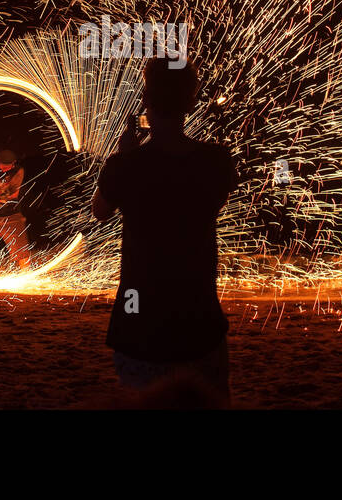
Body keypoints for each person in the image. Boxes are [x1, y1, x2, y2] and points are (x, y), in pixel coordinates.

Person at [91, 57, 237, 405]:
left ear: (146, 101)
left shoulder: (126, 166)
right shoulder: (216, 161)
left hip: (138, 322)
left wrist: (123, 157)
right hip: (198, 320)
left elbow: (99, 211)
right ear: (190, 102)